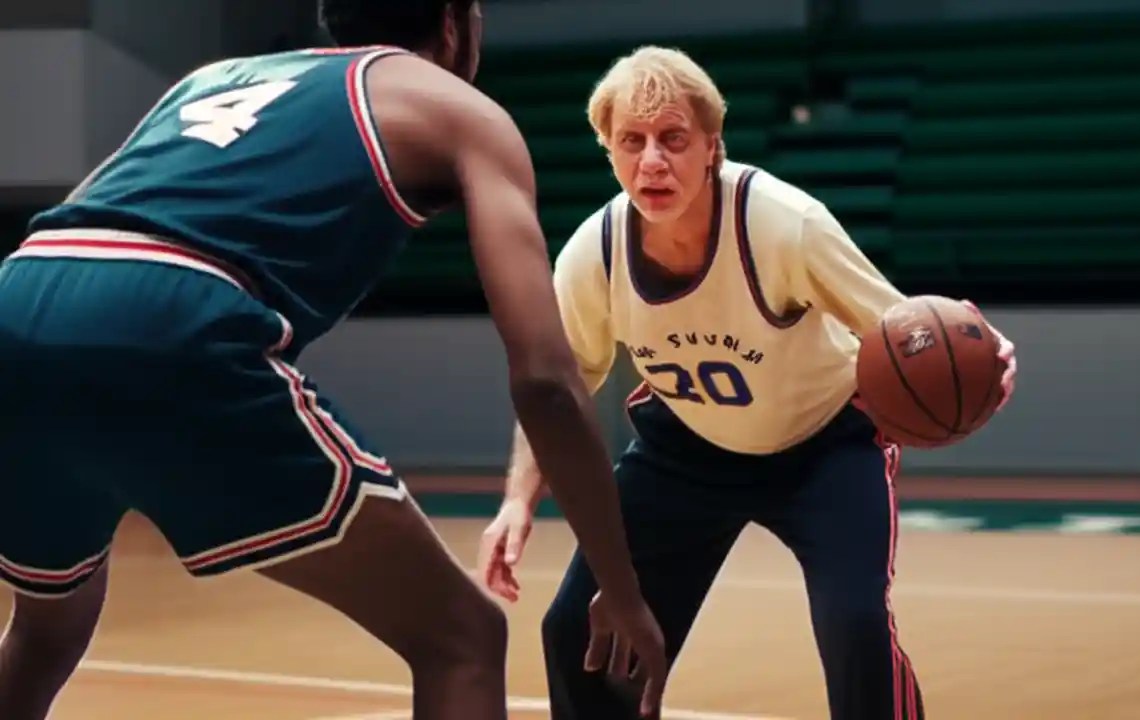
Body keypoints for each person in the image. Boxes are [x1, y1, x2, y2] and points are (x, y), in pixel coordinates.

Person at [0, 2, 668, 719]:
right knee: (461, 637)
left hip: (21, 293)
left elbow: (77, 224)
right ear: (452, 23)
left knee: (45, 628)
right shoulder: (458, 107)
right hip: (171, 311)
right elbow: (546, 381)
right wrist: (620, 590)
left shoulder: (210, 77)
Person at [476, 46, 1017, 719]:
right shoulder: (593, 254)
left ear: (713, 148)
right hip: (687, 452)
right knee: (575, 629)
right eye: (632, 142)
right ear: (608, 152)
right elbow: (558, 388)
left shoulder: (786, 225)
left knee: (856, 629)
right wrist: (518, 502)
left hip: (825, 447)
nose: (652, 161)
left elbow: (900, 326)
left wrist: (981, 349)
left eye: (674, 139)